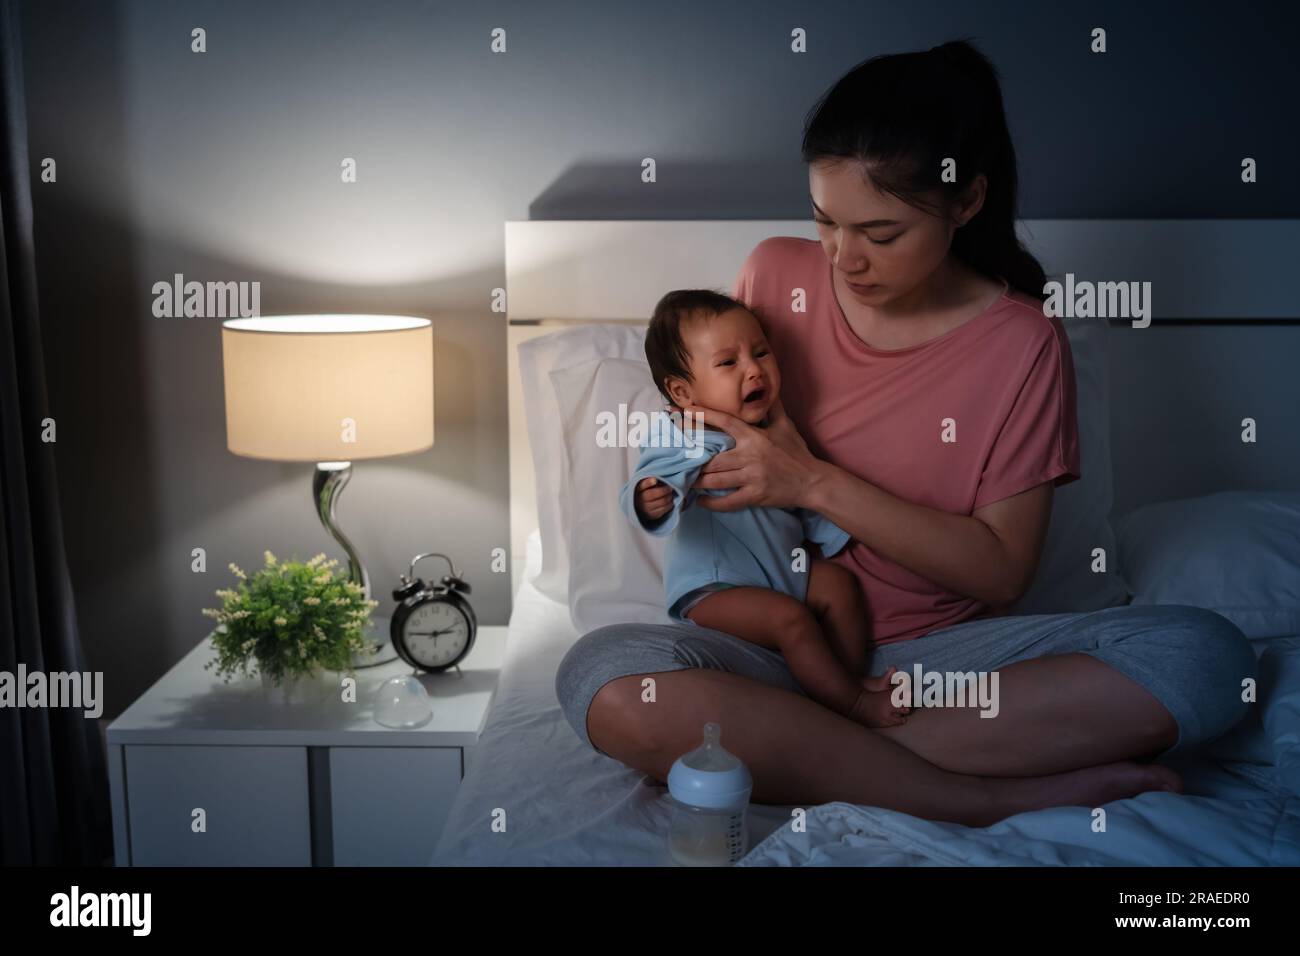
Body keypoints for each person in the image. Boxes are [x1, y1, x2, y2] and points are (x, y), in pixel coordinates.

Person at [555, 39, 1256, 827]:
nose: (844, 259)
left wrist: (811, 481)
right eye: (825, 222)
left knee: (1206, 659)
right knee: (602, 676)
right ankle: (974, 792)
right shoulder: (774, 279)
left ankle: (804, 747)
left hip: (936, 669)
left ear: (966, 201)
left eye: (880, 235)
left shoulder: (1022, 344)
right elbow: (698, 447)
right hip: (771, 648)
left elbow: (1000, 573)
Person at [623, 290, 907, 728]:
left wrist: (834, 533)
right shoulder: (681, 433)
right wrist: (651, 494)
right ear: (682, 392)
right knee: (790, 620)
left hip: (784, 570)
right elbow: (654, 473)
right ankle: (850, 707)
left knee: (840, 589)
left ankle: (842, 681)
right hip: (715, 588)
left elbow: (802, 495)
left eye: (760, 353)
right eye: (728, 363)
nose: (754, 369)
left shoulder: (777, 430)